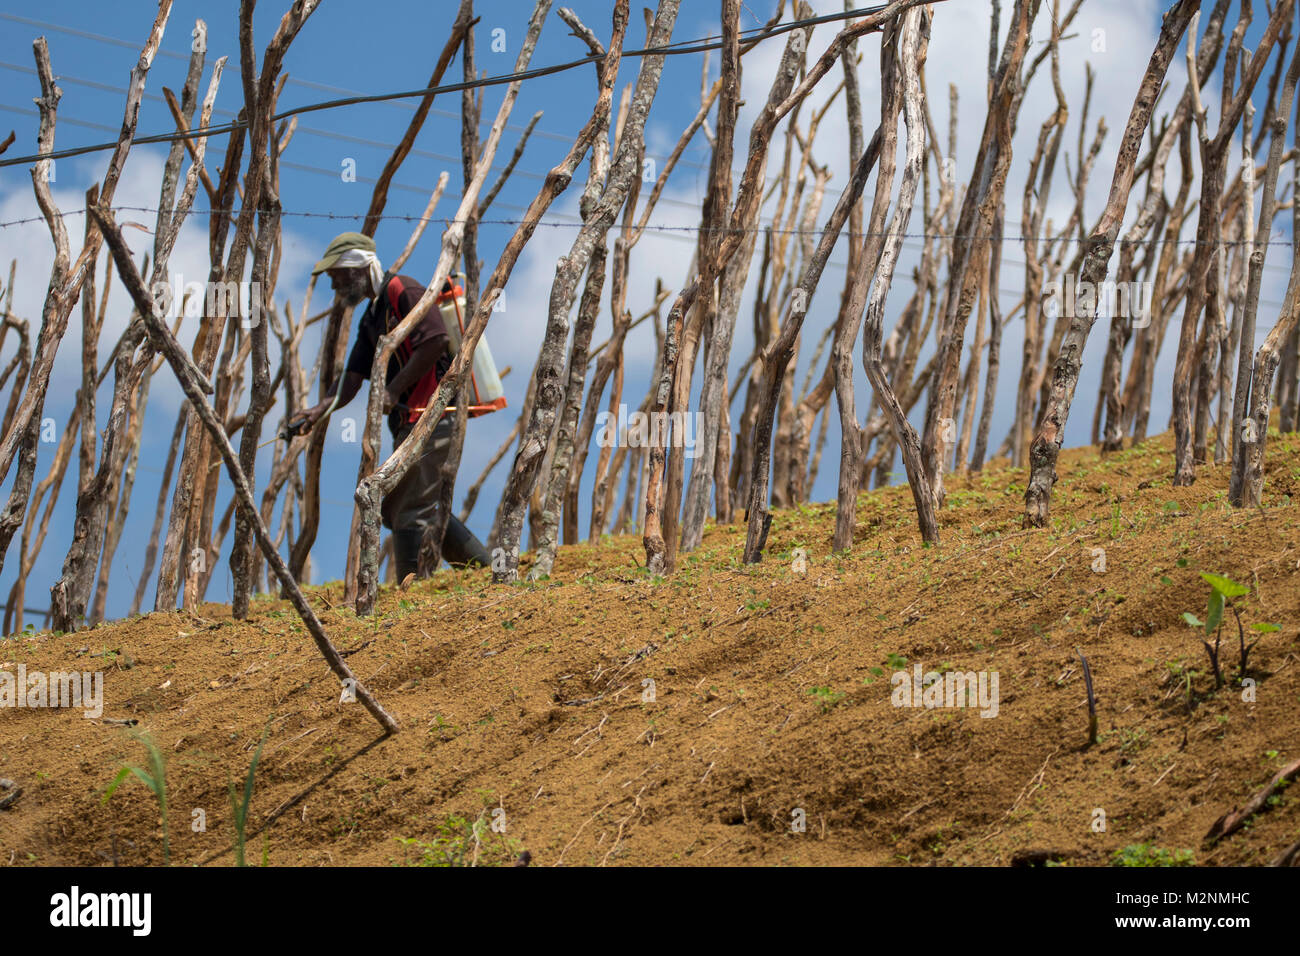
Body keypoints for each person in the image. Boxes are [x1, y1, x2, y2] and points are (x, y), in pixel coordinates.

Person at [288, 232, 491, 579]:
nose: (335, 287)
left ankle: (411, 591)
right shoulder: (373, 315)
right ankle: (485, 570)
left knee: (411, 506)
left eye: (337, 277)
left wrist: (393, 390)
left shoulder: (403, 290)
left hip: (434, 413)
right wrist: (316, 411)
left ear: (357, 268)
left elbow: (435, 340)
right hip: (410, 421)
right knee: (401, 504)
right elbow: (353, 376)